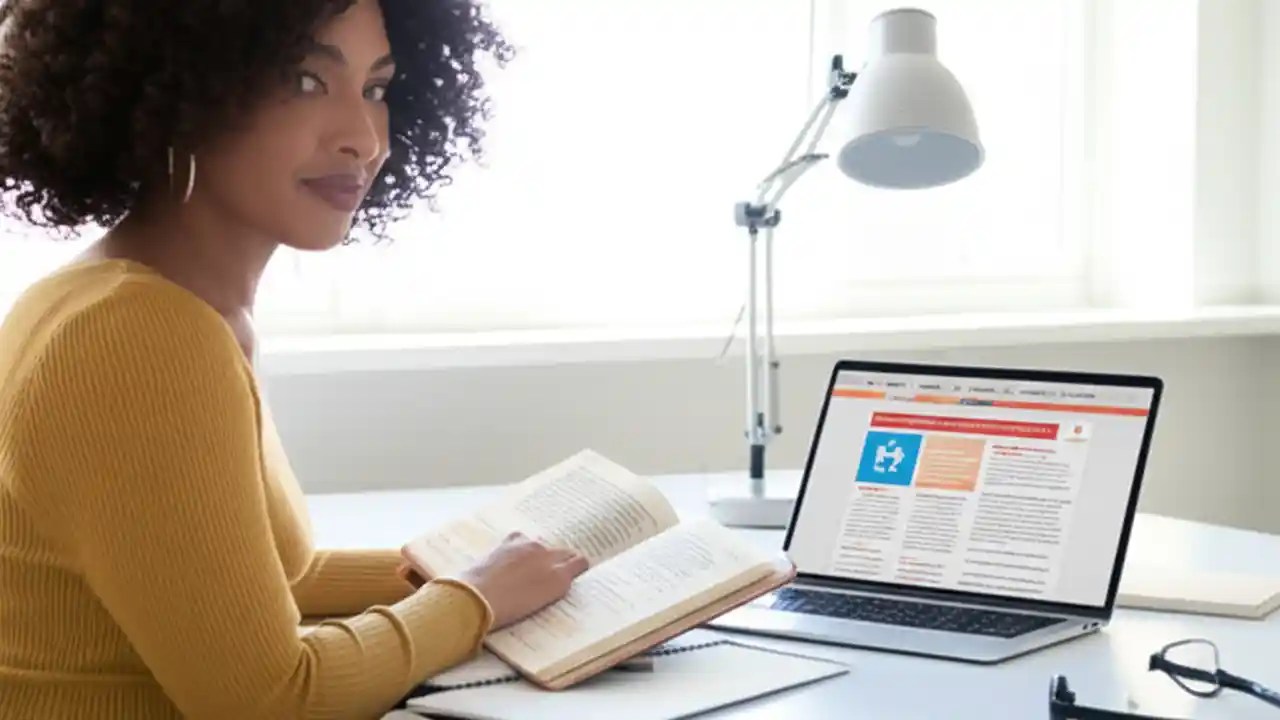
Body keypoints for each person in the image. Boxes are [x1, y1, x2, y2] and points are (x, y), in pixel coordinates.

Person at [0, 1, 590, 718]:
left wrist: (513, 567)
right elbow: (271, 700)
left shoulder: (153, 302)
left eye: (376, 88)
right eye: (305, 81)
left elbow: (282, 579)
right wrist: (475, 598)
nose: (363, 138)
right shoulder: (135, 334)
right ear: (182, 90)